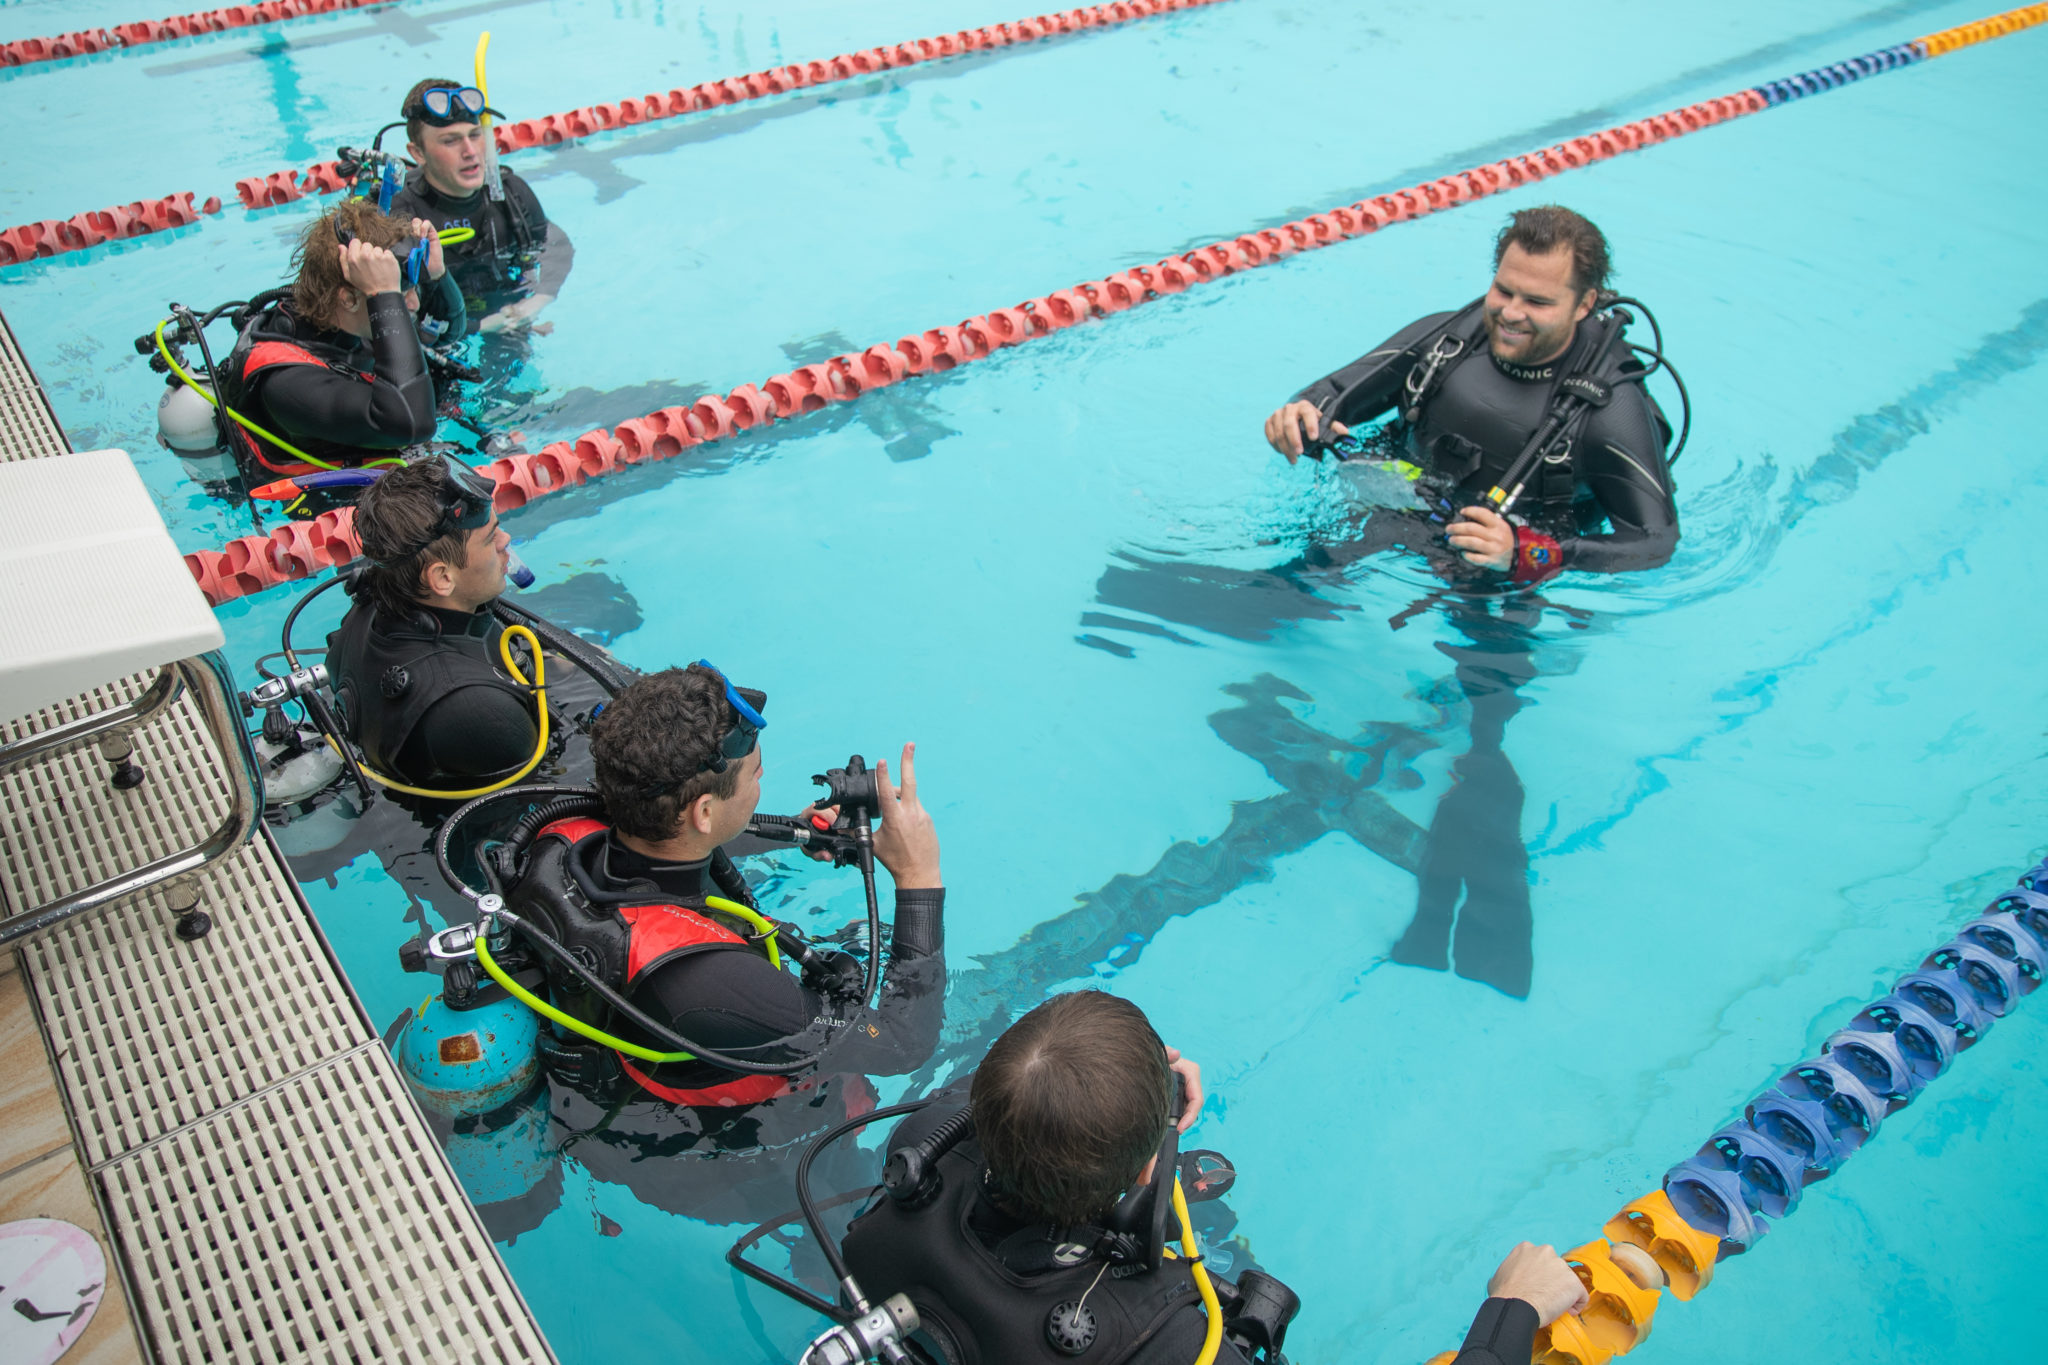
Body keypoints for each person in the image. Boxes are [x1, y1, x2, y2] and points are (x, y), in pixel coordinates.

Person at [841, 990, 1588, 1365]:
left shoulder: (924, 1149)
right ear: (1147, 1168)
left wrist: (1111, 1081)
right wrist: (1511, 1312)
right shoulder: (1162, 1339)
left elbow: (1006, 1083)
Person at [502, 663, 947, 1107]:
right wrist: (917, 877)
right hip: (722, 1131)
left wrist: (798, 830)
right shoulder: (710, 983)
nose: (761, 781)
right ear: (703, 813)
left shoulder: (562, 840)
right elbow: (904, 1045)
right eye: (754, 775)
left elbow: (686, 838)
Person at [1262, 205, 1678, 585]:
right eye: (1504, 291)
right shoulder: (1448, 341)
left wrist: (1527, 553)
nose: (1511, 313)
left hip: (1499, 570)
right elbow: (1331, 395)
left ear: (1584, 304)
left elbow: (1653, 542)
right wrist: (1298, 414)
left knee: (1491, 660)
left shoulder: (1609, 411)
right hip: (1398, 508)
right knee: (1296, 581)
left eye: (1537, 301)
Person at [326, 455, 548, 790]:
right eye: (490, 539)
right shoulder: (477, 713)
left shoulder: (373, 603)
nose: (505, 541)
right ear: (442, 578)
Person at [214, 199, 463, 474]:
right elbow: (413, 423)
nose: (414, 304)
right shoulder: (286, 382)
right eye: (400, 294)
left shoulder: (354, 322)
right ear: (348, 299)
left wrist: (437, 275)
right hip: (320, 506)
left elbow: (443, 333)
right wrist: (385, 296)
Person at [386, 78, 574, 336]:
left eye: (475, 135)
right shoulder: (398, 214)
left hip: (505, 309)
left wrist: (539, 300)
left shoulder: (511, 194)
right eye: (450, 141)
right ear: (418, 153)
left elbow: (557, 247)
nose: (470, 151)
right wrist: (478, 327)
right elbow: (389, 311)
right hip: (438, 332)